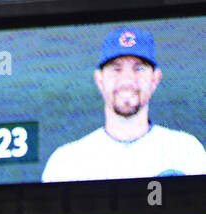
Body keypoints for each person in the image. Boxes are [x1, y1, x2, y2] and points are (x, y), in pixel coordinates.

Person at [42, 27, 206, 183]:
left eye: (139, 68)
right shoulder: (67, 162)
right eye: (116, 69)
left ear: (155, 79)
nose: (127, 81)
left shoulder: (186, 151)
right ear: (100, 80)